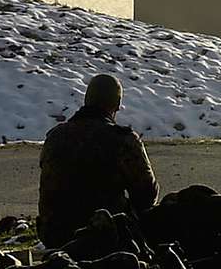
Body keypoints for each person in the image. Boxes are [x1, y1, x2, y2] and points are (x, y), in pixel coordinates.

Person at [37, 72, 159, 249]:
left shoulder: (55, 136)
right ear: (116, 106)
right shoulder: (121, 139)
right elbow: (147, 195)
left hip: (55, 235)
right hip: (104, 235)